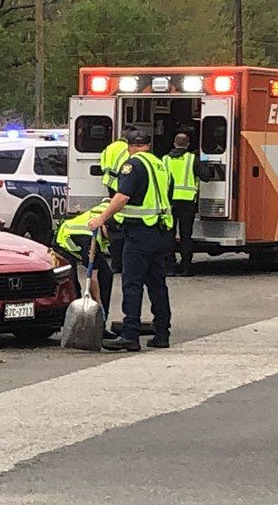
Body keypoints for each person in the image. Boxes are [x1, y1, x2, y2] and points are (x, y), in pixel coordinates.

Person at [88, 128, 174, 352]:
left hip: (138, 234)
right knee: (157, 284)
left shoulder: (132, 165)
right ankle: (162, 333)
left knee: (132, 283)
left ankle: (130, 335)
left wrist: (102, 218)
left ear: (130, 147)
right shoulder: (160, 164)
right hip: (159, 232)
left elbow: (123, 196)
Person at [53, 198, 115, 336]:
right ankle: (76, 327)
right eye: (110, 235)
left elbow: (108, 201)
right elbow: (92, 278)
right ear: (104, 226)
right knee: (73, 286)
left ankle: (100, 324)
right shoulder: (90, 240)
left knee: (106, 275)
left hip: (87, 236)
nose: (111, 239)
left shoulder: (112, 213)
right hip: (64, 244)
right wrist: (98, 304)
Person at [162, 133, 211, 277]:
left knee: (169, 236)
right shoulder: (192, 159)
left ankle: (169, 267)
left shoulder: (164, 160)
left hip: (168, 202)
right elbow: (206, 176)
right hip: (187, 202)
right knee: (185, 235)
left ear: (174, 143)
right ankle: (186, 267)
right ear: (188, 144)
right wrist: (207, 165)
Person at [99, 124, 137, 274]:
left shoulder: (110, 147)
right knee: (119, 224)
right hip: (120, 186)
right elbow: (129, 167)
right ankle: (121, 262)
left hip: (109, 183)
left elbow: (102, 164)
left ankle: (116, 262)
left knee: (114, 224)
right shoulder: (126, 149)